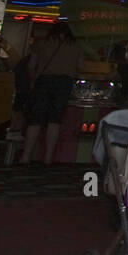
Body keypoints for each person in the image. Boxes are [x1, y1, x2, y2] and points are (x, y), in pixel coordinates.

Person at [20, 22, 80, 164]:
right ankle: (48, 157)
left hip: (44, 81)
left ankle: (26, 156)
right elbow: (81, 66)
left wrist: (33, 80)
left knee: (36, 119)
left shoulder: (42, 43)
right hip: (64, 83)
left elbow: (31, 66)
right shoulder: (76, 45)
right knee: (55, 119)